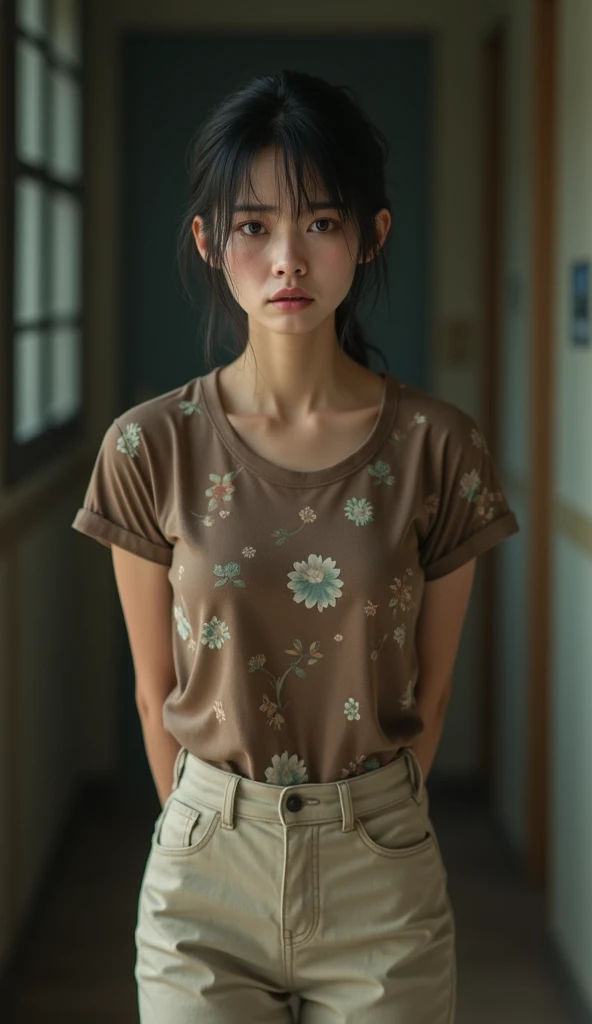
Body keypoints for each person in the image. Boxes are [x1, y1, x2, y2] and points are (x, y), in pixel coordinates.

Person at [72, 68, 520, 1023]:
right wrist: (206, 833)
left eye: (320, 222)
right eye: (253, 226)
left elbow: (430, 690)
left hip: (381, 871)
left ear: (371, 235)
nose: (287, 259)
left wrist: (365, 827)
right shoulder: (148, 447)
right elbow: (156, 689)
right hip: (204, 877)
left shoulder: (440, 448)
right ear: (208, 241)